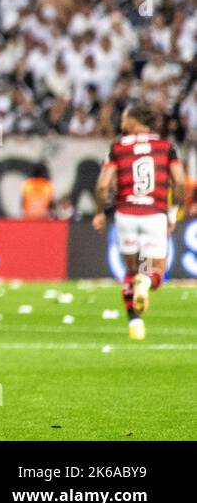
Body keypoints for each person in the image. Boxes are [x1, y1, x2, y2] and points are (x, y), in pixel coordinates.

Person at [93, 101, 186, 342]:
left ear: (135, 121)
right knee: (155, 271)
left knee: (130, 270)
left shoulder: (117, 147)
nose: (121, 122)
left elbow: (103, 185)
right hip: (154, 214)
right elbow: (180, 183)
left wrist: (99, 212)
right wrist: (173, 212)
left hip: (126, 214)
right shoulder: (166, 147)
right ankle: (146, 281)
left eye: (124, 117)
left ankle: (135, 322)